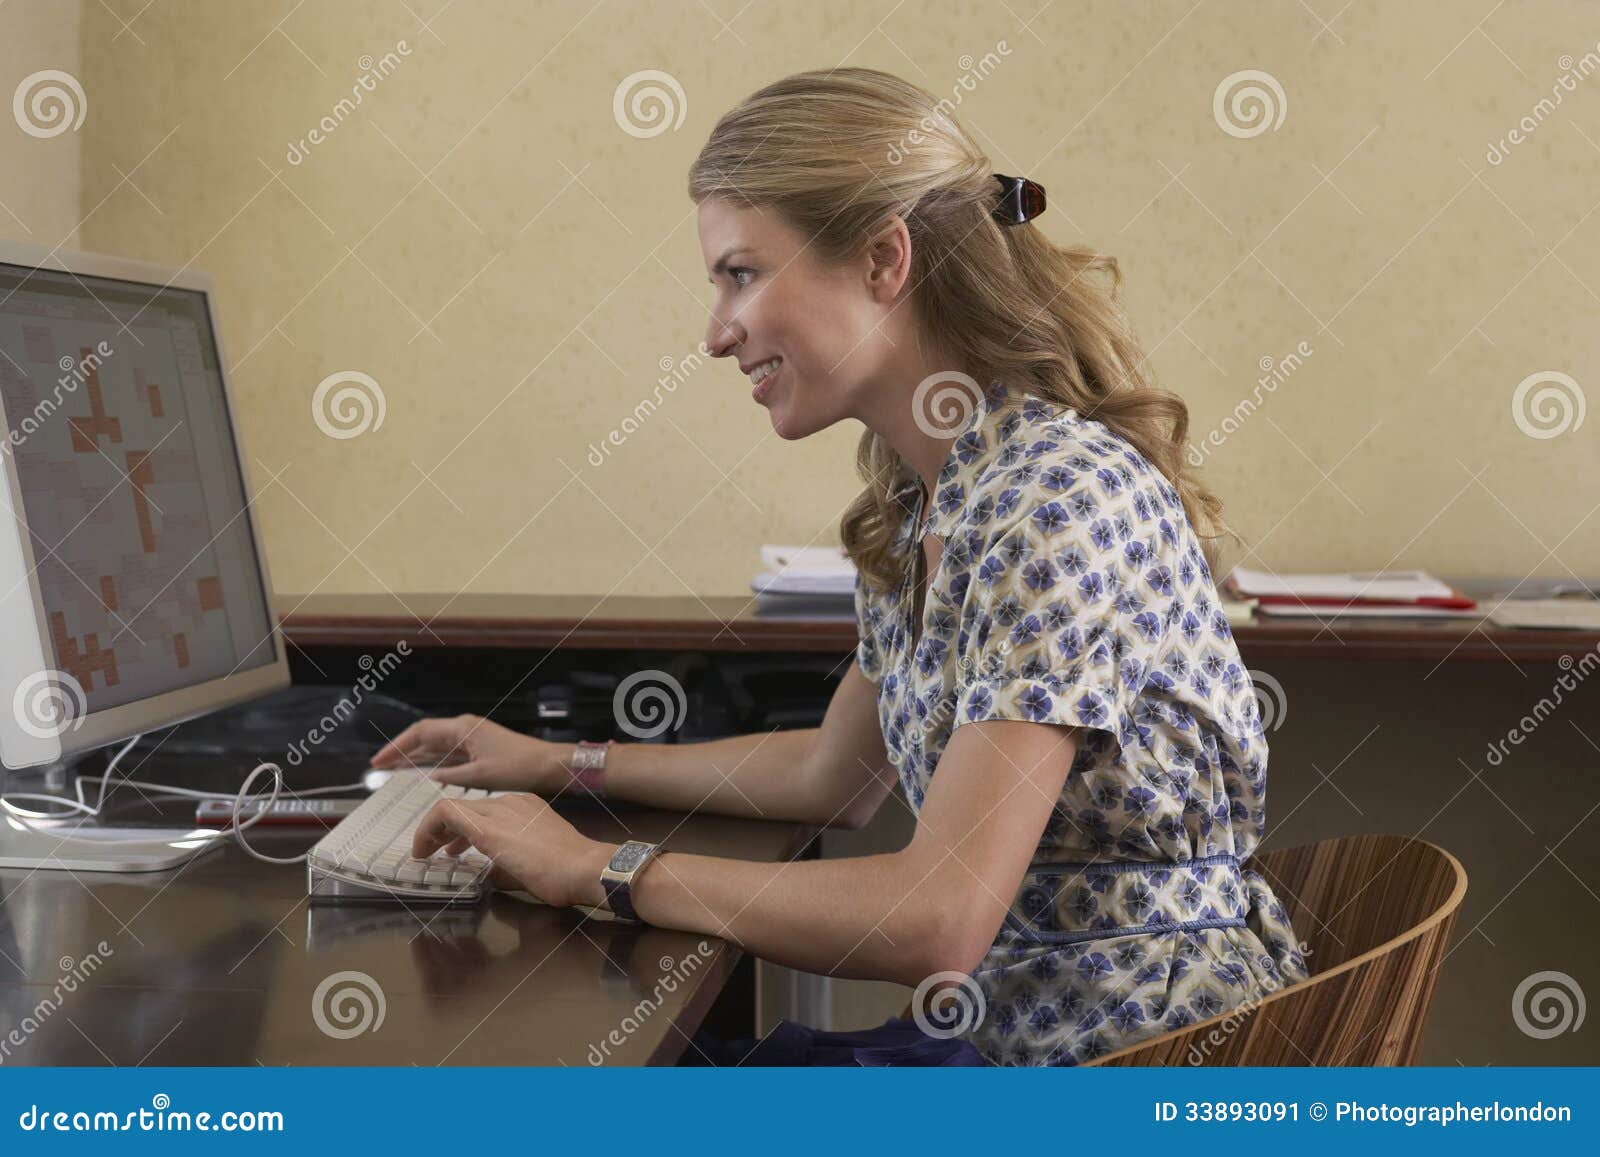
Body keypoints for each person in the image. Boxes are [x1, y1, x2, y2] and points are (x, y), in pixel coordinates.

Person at [381, 67, 1310, 1067]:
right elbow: (833, 774)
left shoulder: (1049, 501)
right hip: (1004, 1039)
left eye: (742, 273)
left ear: (882, 258)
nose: (716, 333)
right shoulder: (924, 495)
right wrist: (556, 761)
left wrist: (589, 866)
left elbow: (936, 918)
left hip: (1125, 1060)